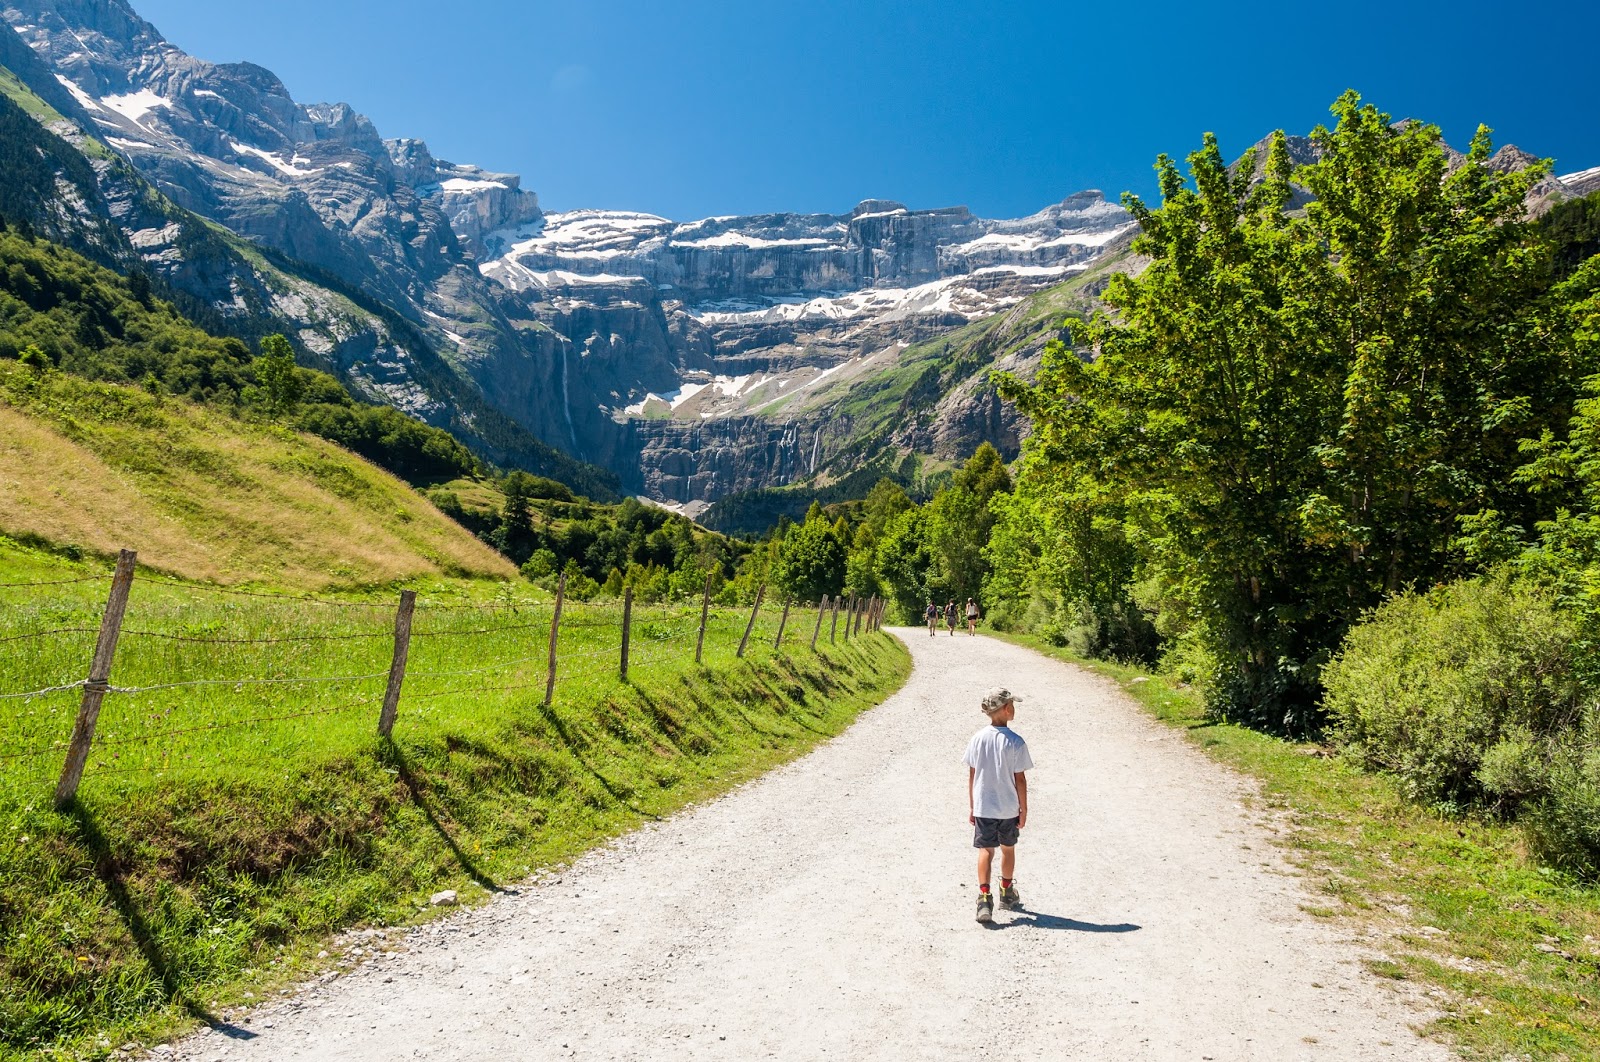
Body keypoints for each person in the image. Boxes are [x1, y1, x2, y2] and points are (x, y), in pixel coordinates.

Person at [964, 687, 1032, 923]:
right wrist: (1023, 809)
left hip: (984, 807)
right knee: (1008, 848)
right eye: (1012, 705)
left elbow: (972, 775)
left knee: (985, 850)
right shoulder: (1015, 742)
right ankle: (1006, 892)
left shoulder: (977, 739)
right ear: (1005, 709)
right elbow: (1020, 779)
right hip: (1008, 808)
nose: (1014, 708)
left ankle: (984, 898)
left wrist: (973, 806)